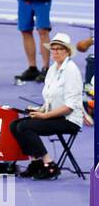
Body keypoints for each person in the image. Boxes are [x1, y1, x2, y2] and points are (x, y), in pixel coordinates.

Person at [9, 33, 85, 180]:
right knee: (14, 125)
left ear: (67, 51)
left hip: (68, 120)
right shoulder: (52, 69)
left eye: (59, 49)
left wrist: (44, 116)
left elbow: (69, 107)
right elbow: (51, 99)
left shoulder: (71, 71)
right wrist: (40, 109)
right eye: (53, 49)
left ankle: (50, 165)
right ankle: (36, 163)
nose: (55, 52)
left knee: (25, 127)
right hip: (54, 115)